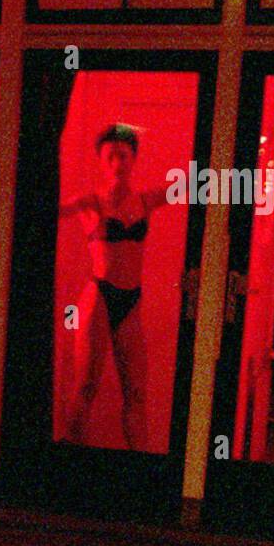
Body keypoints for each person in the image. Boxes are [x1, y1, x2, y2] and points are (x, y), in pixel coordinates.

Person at [58, 123, 172, 451]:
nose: (117, 163)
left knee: (136, 392)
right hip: (99, 297)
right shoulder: (90, 203)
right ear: (101, 161)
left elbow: (190, 187)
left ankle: (141, 468)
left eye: (123, 155)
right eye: (110, 157)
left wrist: (231, 178)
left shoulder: (145, 201)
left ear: (133, 158)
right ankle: (67, 460)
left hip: (131, 300)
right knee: (85, 386)